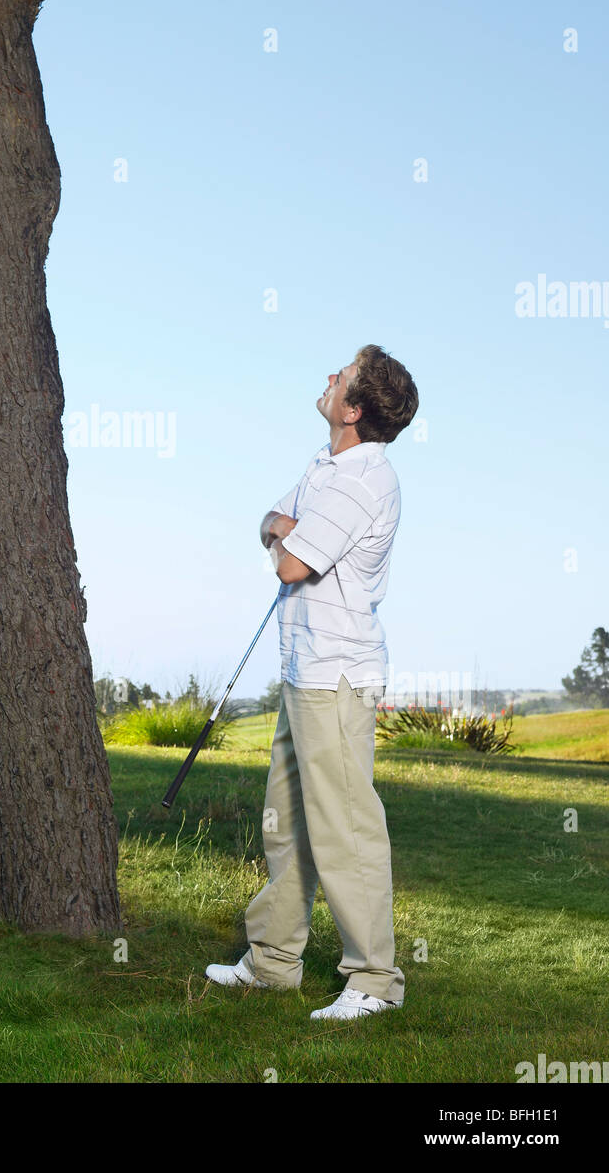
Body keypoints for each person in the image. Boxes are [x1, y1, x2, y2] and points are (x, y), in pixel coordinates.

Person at [206, 344, 419, 1020]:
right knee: (287, 822)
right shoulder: (324, 464)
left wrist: (281, 536)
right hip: (302, 670)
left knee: (345, 829)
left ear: (353, 408)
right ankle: (272, 962)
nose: (328, 379)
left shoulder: (362, 480)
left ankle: (373, 983)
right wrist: (280, 530)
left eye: (341, 378)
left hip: (335, 677)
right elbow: (271, 525)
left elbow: (290, 566)